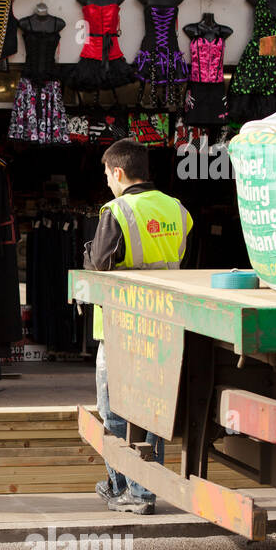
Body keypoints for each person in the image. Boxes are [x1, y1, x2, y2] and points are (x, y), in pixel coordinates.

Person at [84, 138, 192, 515]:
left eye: (107, 175)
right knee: (152, 410)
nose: (107, 183)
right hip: (163, 323)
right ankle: (136, 486)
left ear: (118, 171)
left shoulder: (117, 211)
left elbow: (99, 264)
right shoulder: (178, 210)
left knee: (112, 408)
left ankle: (131, 488)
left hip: (120, 324)